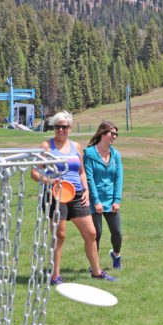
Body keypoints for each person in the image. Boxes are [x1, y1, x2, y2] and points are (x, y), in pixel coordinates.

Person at [30, 111, 117, 285]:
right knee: (59, 235)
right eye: (57, 127)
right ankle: (55, 275)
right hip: (56, 193)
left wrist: (85, 190)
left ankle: (96, 272)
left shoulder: (76, 147)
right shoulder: (46, 146)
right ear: (53, 128)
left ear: (70, 128)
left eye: (64, 127)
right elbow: (34, 172)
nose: (60, 130)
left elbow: (81, 171)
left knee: (91, 233)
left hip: (76, 194)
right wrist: (48, 180)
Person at [84, 121, 124, 270]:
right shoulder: (89, 154)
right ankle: (94, 265)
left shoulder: (115, 155)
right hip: (95, 200)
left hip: (110, 200)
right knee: (97, 233)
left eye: (116, 134)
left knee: (117, 232)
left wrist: (117, 200)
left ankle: (116, 255)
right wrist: (96, 201)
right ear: (102, 134)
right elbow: (89, 179)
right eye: (112, 133)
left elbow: (118, 178)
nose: (114, 137)